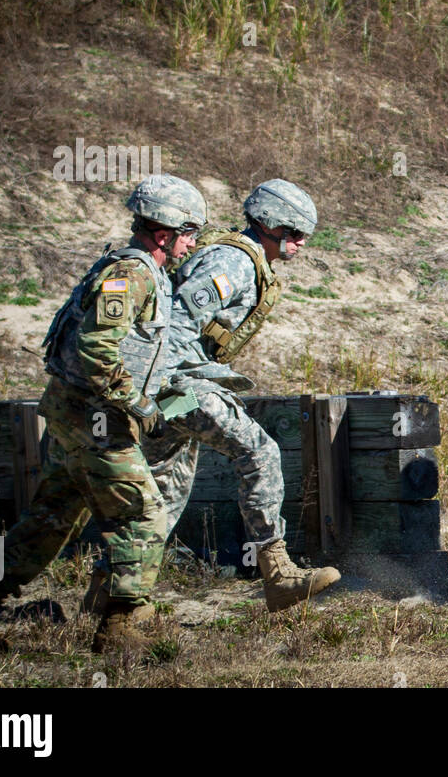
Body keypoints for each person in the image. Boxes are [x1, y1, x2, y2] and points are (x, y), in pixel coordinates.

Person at [0, 175, 207, 652]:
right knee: (144, 514)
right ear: (163, 232)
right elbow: (96, 349)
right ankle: (118, 629)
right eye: (189, 232)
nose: (193, 243)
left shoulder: (138, 271)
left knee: (50, 519)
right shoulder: (131, 275)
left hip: (78, 416)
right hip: (96, 420)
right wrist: (138, 404)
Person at [110, 179, 340, 613]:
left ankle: (113, 596)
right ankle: (278, 573)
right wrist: (159, 391)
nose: (300, 242)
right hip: (175, 383)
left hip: (166, 385)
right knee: (259, 451)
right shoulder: (233, 262)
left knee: (163, 498)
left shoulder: (243, 259)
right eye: (293, 233)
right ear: (269, 224)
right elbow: (175, 321)